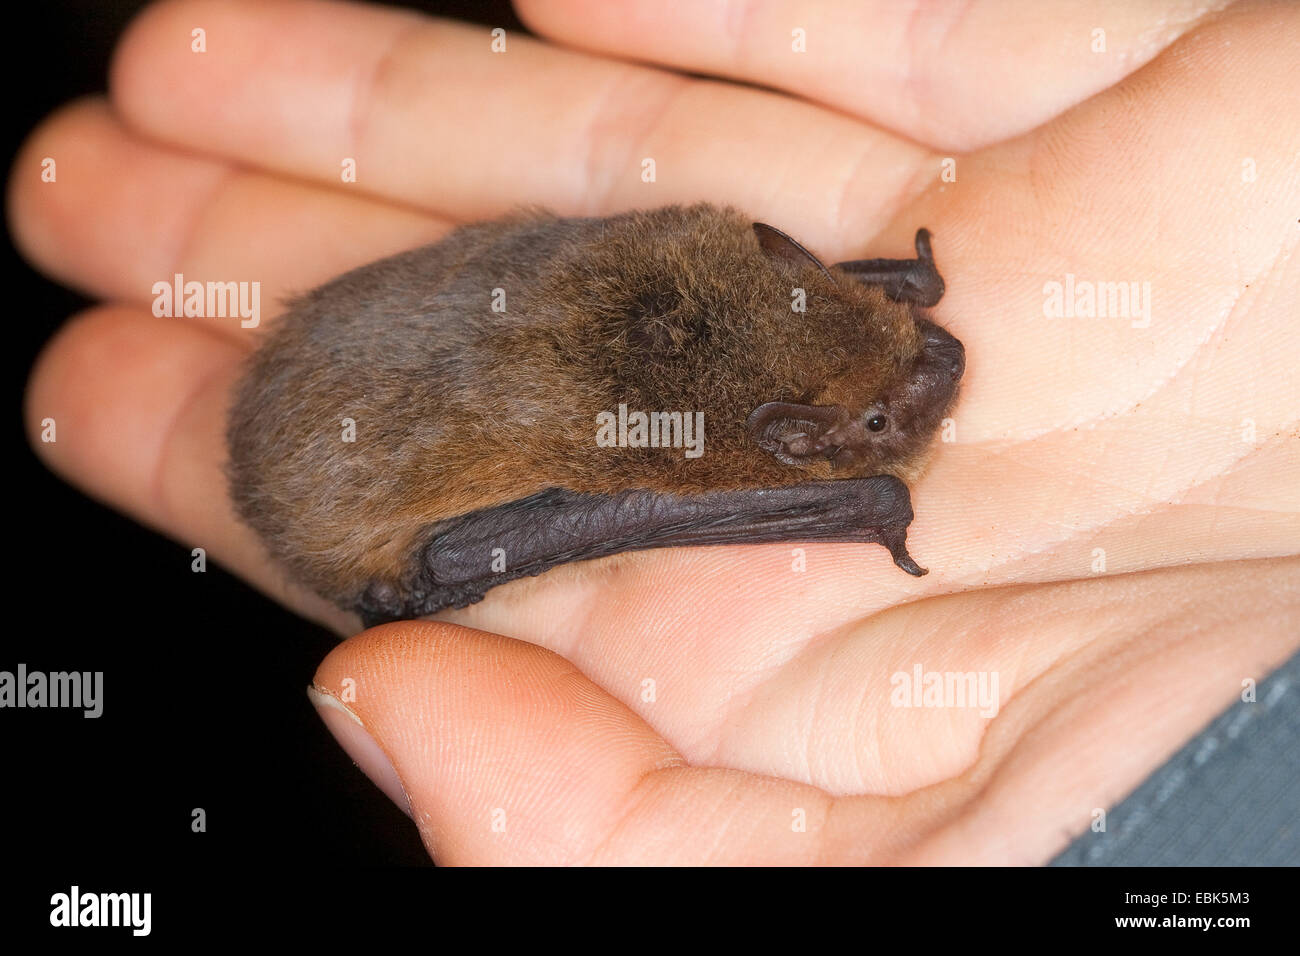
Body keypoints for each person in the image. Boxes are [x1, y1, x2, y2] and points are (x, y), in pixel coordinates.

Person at [13, 0, 1299, 864]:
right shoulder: (691, 442)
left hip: (380, 352)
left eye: (896, 343)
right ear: (795, 446)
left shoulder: (718, 260)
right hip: (368, 490)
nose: (931, 373)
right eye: (875, 414)